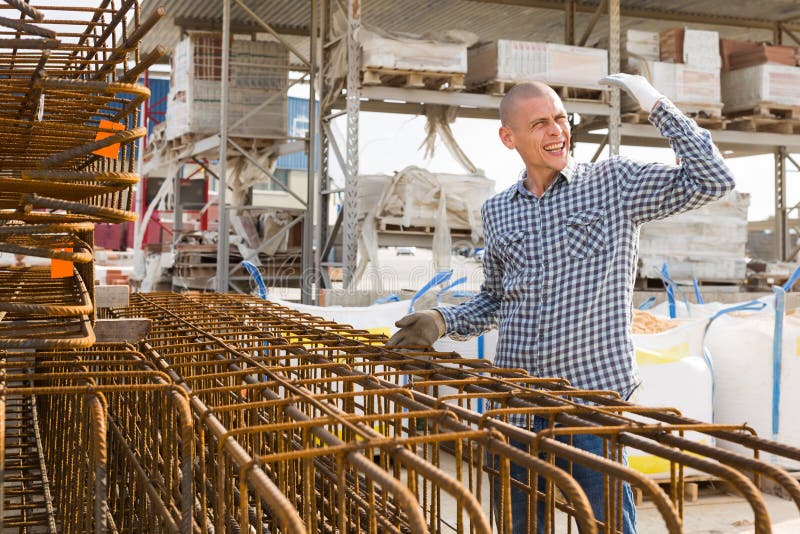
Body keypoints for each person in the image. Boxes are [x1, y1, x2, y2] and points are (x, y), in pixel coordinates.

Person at [386, 73, 736, 533]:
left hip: (588, 402)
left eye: (560, 119)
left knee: (607, 525)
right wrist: (440, 318)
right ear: (508, 137)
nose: (557, 131)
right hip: (514, 403)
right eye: (540, 124)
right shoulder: (499, 210)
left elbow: (714, 179)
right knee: (519, 528)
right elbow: (495, 299)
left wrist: (655, 105)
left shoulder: (613, 183)